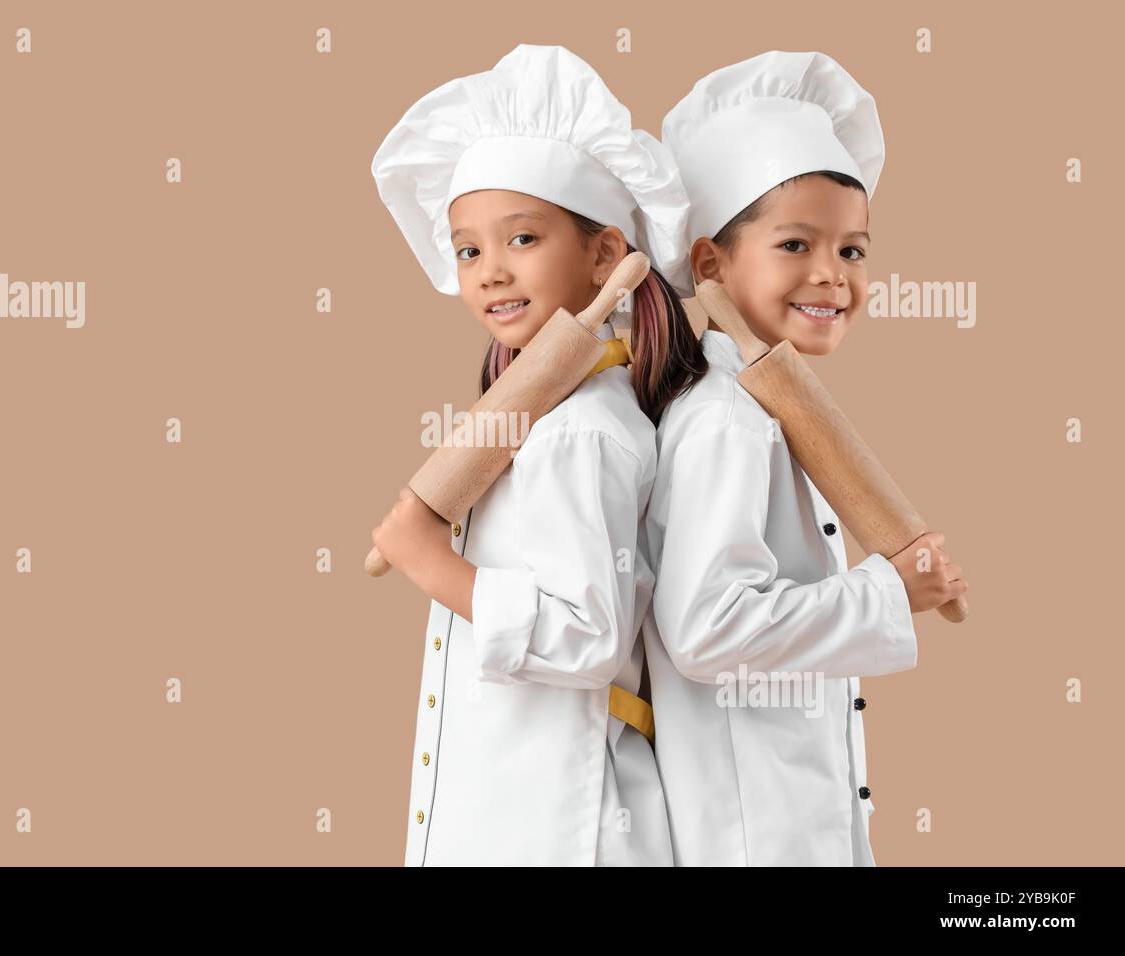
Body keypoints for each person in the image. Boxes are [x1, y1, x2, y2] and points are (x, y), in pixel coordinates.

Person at [369, 44, 706, 865]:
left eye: (522, 236)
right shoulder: (541, 416)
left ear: (603, 254)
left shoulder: (581, 430)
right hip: (517, 812)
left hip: (571, 828)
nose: (490, 272)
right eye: (468, 250)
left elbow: (587, 635)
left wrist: (424, 559)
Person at [648, 50, 968, 866]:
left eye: (854, 251)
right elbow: (706, 628)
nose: (832, 276)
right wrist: (887, 590)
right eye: (797, 244)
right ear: (711, 263)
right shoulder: (726, 422)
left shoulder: (769, 411)